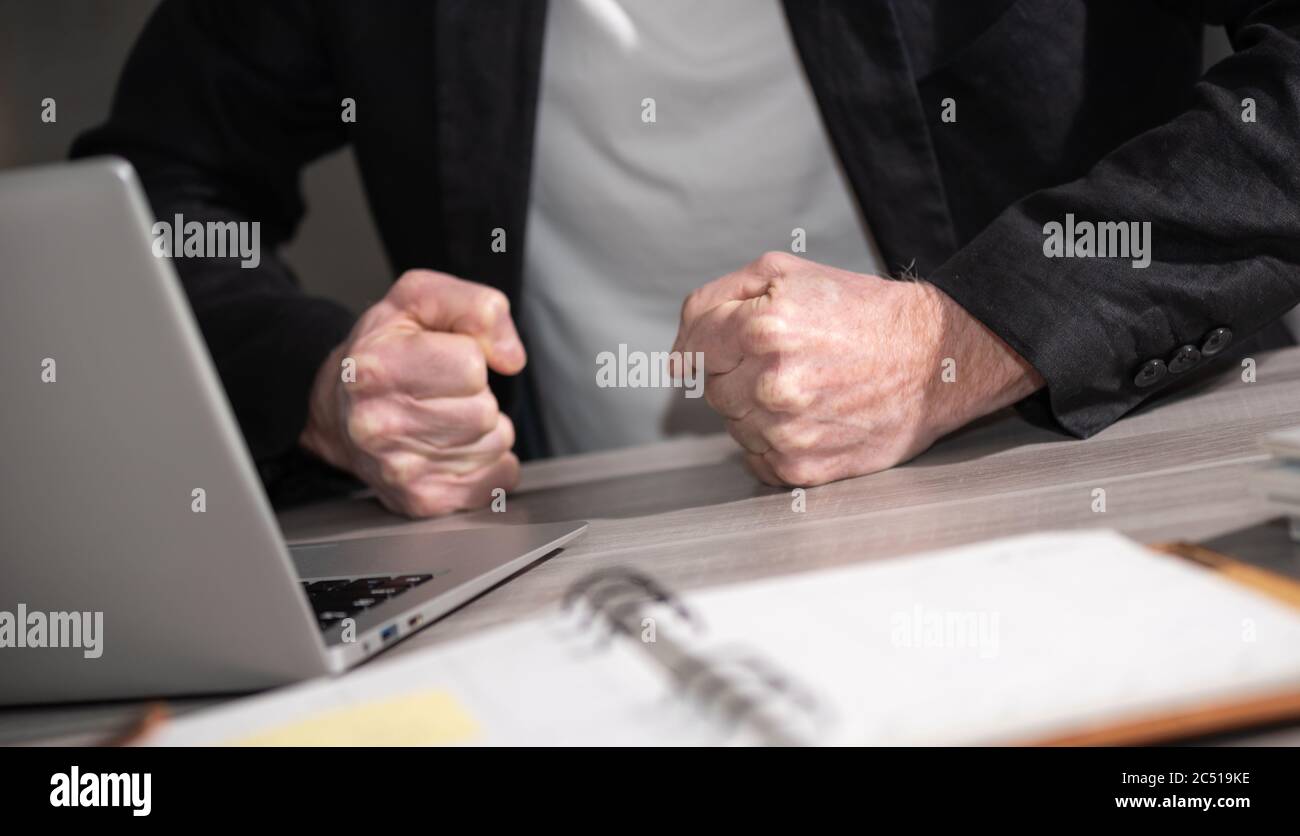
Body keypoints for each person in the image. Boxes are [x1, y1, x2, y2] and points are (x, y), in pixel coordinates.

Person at [74, 0, 1300, 517]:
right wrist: (327, 383)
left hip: (1099, 517)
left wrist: (965, 336)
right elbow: (162, 191)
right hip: (580, 587)